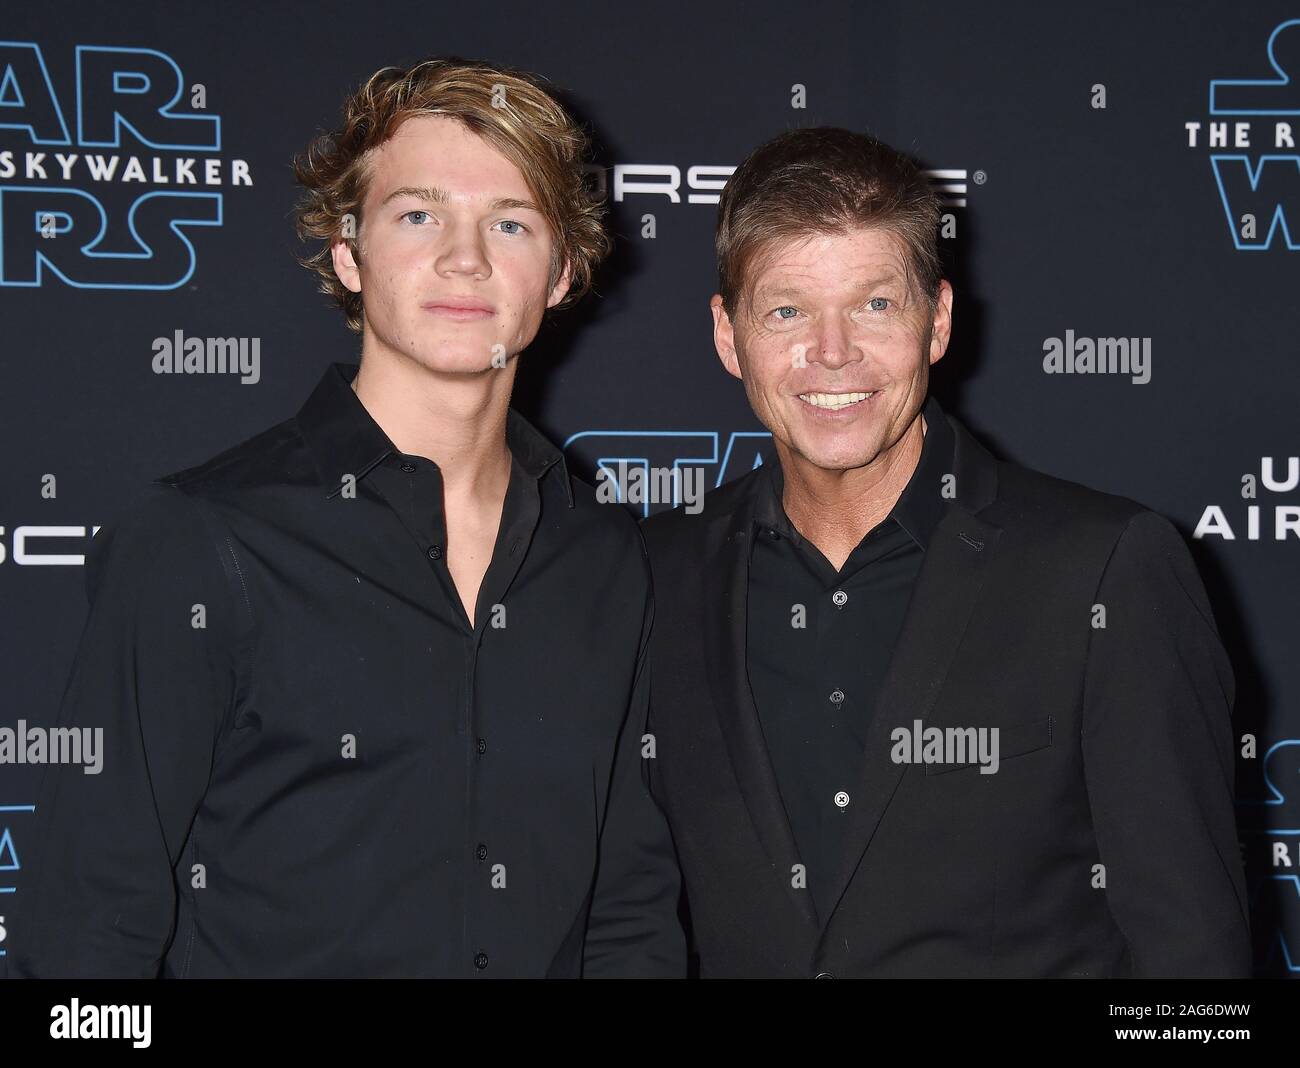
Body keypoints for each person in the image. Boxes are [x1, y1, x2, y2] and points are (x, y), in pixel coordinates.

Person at [9, 57, 684, 978]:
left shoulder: (605, 557)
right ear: (347, 251)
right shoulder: (205, 540)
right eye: (419, 214)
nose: (465, 257)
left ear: (563, 272)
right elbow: (86, 932)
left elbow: (625, 910)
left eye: (511, 223)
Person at [641, 126, 1250, 978]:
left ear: (937, 321)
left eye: (874, 304)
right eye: (786, 311)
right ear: (727, 336)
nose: (832, 352)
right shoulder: (652, 578)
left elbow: (1196, 969)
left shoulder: (1102, 568)